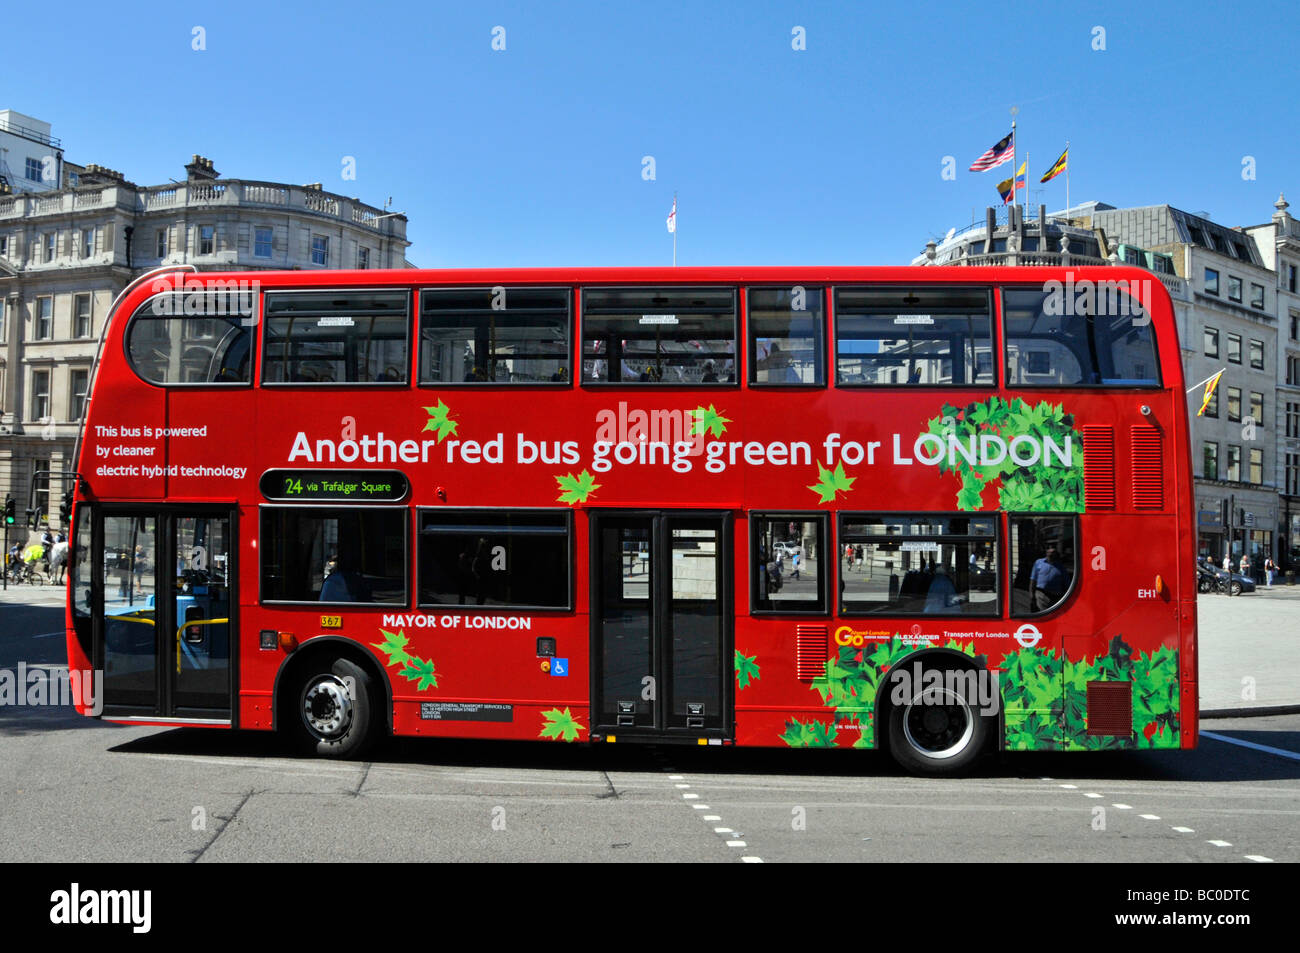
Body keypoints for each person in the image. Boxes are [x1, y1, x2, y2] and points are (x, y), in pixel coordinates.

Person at [1030, 543, 1068, 612]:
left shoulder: (1061, 567)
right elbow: (1033, 580)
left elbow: (1066, 583)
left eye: (1053, 553)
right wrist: (1032, 596)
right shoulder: (1038, 562)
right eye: (1049, 552)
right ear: (1046, 553)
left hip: (1055, 597)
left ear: (1056, 554)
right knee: (1041, 615)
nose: (1050, 554)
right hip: (1041, 594)